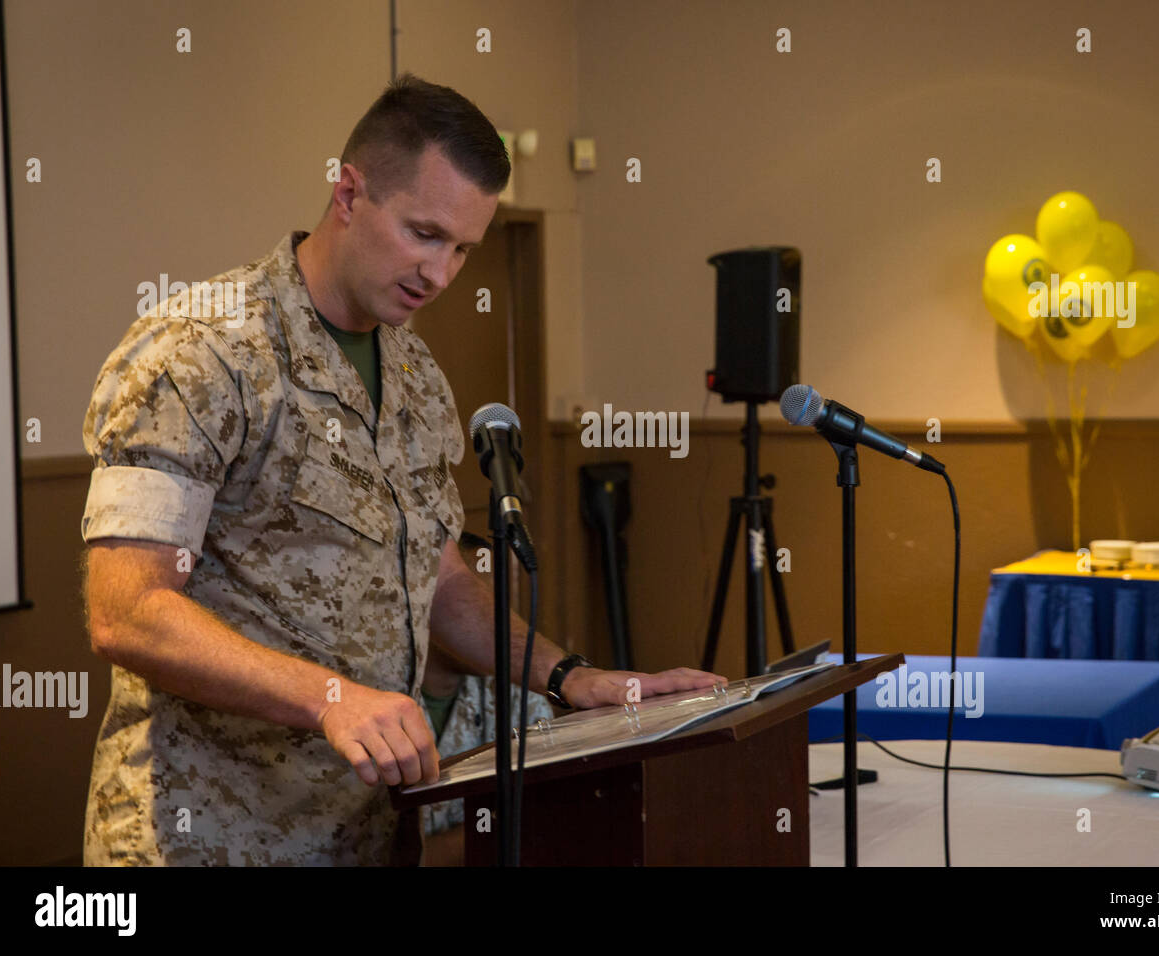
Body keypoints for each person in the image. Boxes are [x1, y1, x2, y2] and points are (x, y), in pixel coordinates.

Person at [79, 74, 723, 866]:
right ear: (349, 193)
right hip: (208, 837)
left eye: (462, 249)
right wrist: (330, 699)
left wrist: (568, 678)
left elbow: (439, 581)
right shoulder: (200, 351)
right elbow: (127, 609)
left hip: (371, 832)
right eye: (424, 233)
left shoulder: (414, 373)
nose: (441, 273)